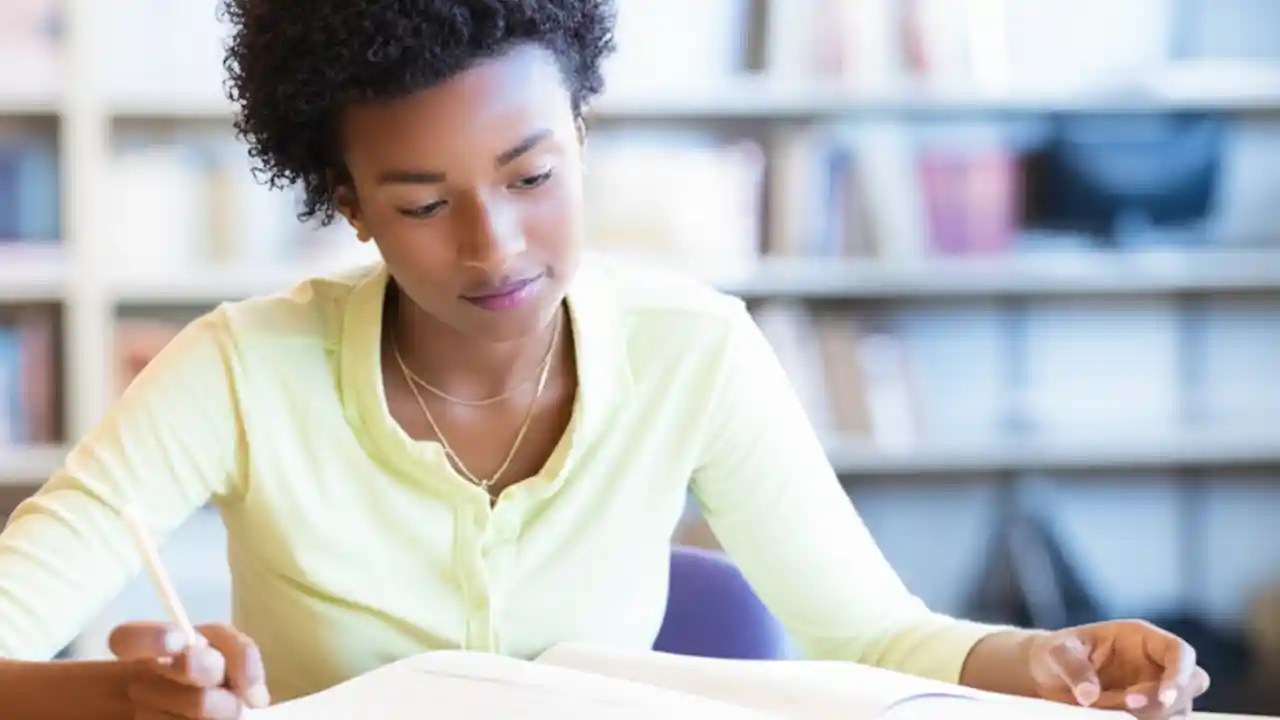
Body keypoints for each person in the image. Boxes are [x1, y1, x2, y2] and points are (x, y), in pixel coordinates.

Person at [0, 2, 1209, 719]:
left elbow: (872, 635)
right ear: (348, 204)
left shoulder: (694, 349)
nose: (496, 246)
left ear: (580, 129)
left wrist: (1044, 667)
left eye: (532, 176)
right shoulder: (235, 372)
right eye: (421, 204)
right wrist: (123, 699)